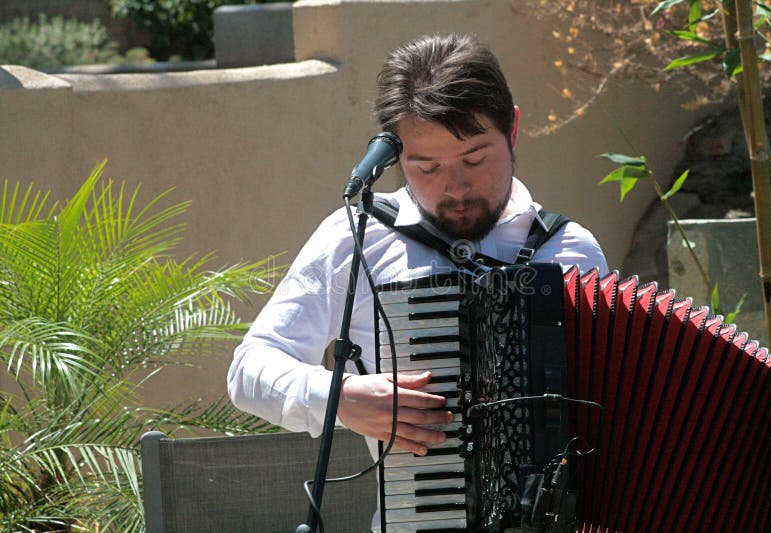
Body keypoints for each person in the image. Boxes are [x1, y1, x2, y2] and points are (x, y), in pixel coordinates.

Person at [227, 31, 608, 519]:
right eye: (425, 166)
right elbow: (250, 369)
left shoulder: (570, 250)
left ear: (511, 130)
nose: (455, 186)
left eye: (474, 158)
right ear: (392, 155)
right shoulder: (356, 239)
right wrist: (337, 396)